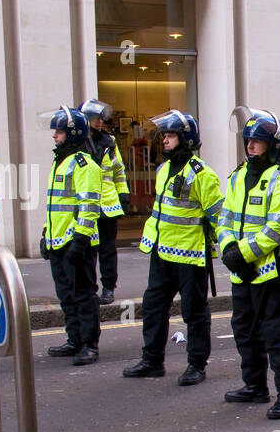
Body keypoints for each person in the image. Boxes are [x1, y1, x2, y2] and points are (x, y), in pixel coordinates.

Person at [122, 110, 223, 385]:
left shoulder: (203, 175)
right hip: (162, 251)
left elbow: (217, 215)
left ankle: (196, 365)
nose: (165, 140)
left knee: (194, 312)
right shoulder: (164, 169)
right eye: (164, 135)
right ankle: (152, 361)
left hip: (191, 254)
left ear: (185, 138)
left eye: (170, 135)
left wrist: (228, 246)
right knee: (153, 308)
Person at [217, 107, 280, 418]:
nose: (251, 146)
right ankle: (254, 386)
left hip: (271, 274)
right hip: (241, 272)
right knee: (244, 330)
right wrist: (229, 249)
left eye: (258, 141)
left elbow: (278, 228)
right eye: (248, 140)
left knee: (277, 335)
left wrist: (243, 254)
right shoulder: (238, 175)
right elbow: (224, 217)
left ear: (274, 145)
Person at [41, 106, 104, 366]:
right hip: (59, 241)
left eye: (59, 131)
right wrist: (46, 233)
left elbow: (89, 205)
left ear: (73, 133)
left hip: (77, 242)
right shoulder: (61, 162)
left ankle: (89, 344)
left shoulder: (84, 165)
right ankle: (74, 339)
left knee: (83, 295)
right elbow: (55, 205)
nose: (55, 135)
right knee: (66, 295)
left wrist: (80, 239)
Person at [80, 99, 130, 306]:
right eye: (95, 118)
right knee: (87, 250)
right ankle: (89, 289)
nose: (99, 122)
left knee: (107, 250)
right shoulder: (77, 142)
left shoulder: (110, 142)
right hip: (86, 207)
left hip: (108, 206)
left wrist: (124, 195)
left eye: (101, 118)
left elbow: (118, 170)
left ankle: (109, 288)